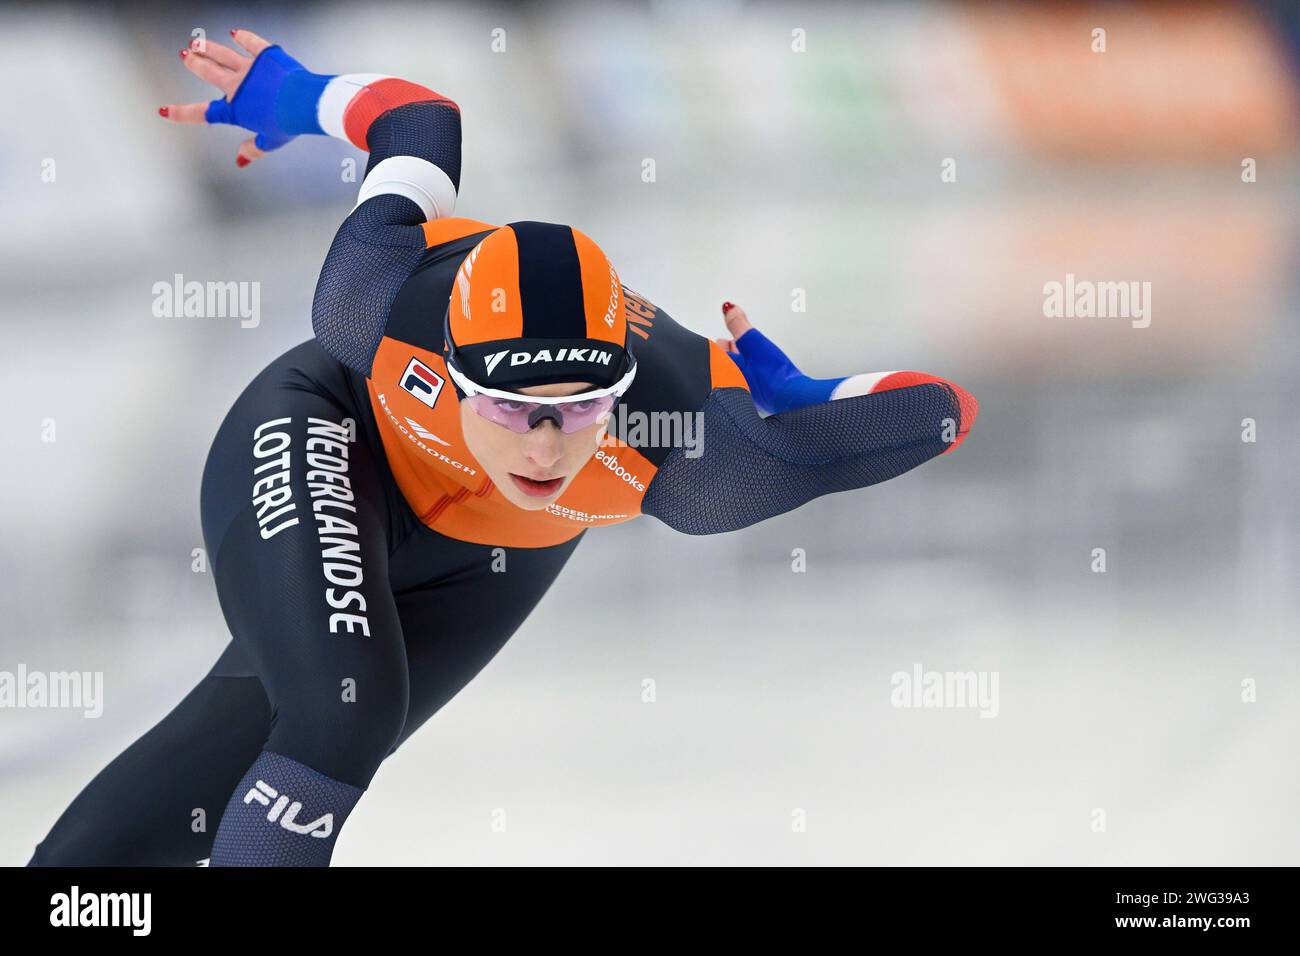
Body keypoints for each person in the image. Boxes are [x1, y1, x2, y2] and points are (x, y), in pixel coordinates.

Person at [27, 28, 978, 867]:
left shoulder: (691, 456)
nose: (548, 446)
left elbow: (942, 409)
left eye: (584, 408)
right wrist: (288, 91)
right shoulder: (376, 303)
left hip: (491, 562)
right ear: (449, 368)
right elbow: (418, 119)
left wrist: (811, 398)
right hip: (329, 435)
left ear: (622, 392)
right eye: (514, 409)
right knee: (342, 711)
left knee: (155, 826)